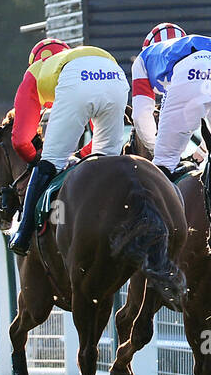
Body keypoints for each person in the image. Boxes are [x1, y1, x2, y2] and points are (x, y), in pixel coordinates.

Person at [8, 39, 129, 255]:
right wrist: (80, 156)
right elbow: (94, 144)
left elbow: (20, 140)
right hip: (116, 74)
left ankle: (23, 234)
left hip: (79, 80)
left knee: (50, 161)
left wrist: (41, 161)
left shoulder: (35, 72)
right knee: (107, 163)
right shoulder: (79, 58)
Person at [130, 23, 211, 178]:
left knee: (164, 163)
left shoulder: (143, 59)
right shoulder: (184, 47)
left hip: (190, 69)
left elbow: (140, 114)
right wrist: (200, 154)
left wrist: (156, 149)